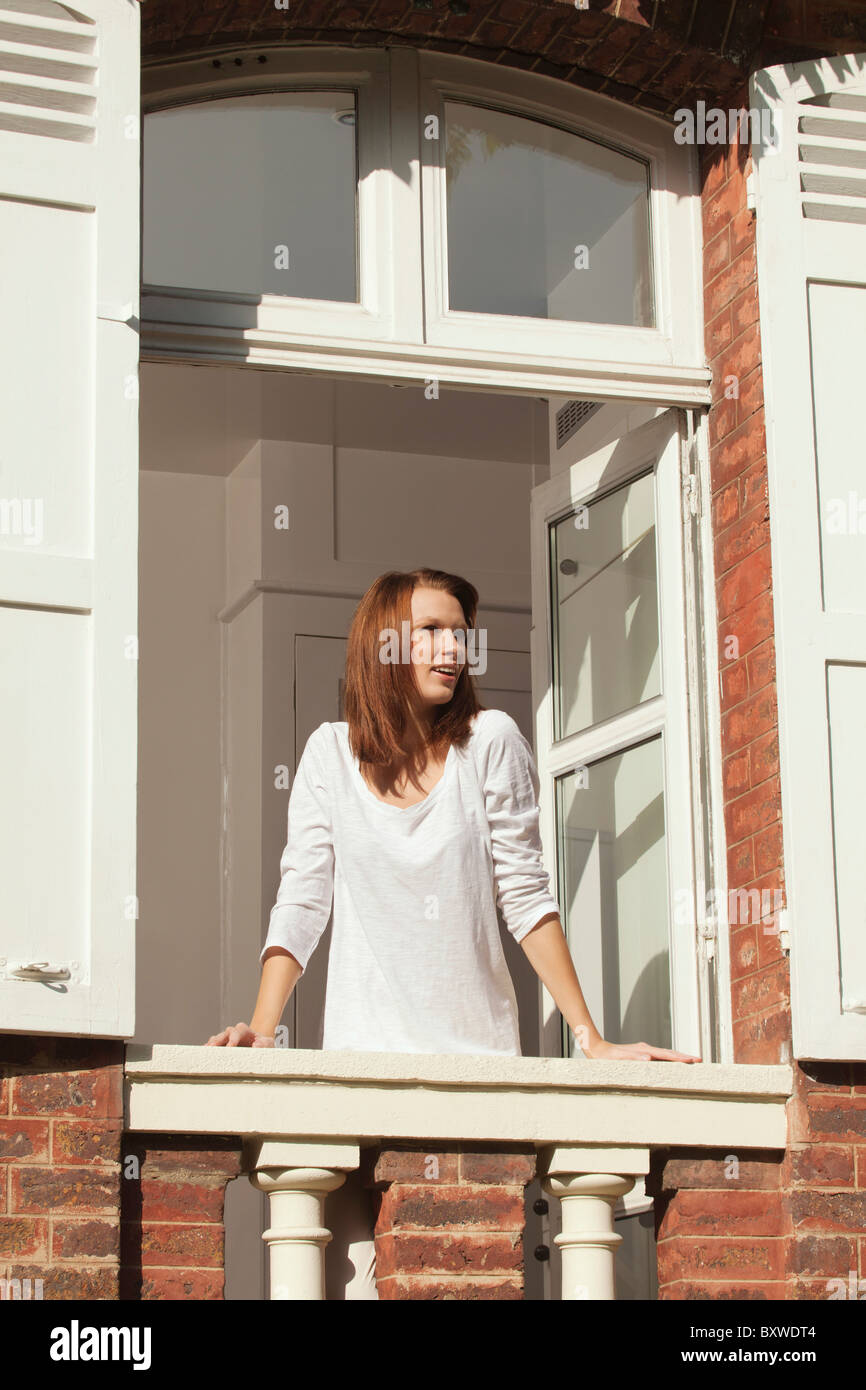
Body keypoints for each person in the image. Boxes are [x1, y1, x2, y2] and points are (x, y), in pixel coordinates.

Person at [207, 567, 701, 1295]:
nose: (452, 648)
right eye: (431, 630)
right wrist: (262, 1024)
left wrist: (589, 1037)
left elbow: (526, 896)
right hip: (357, 1079)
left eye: (460, 633)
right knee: (357, 1287)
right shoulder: (328, 757)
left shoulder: (490, 742)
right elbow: (301, 899)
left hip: (476, 1076)